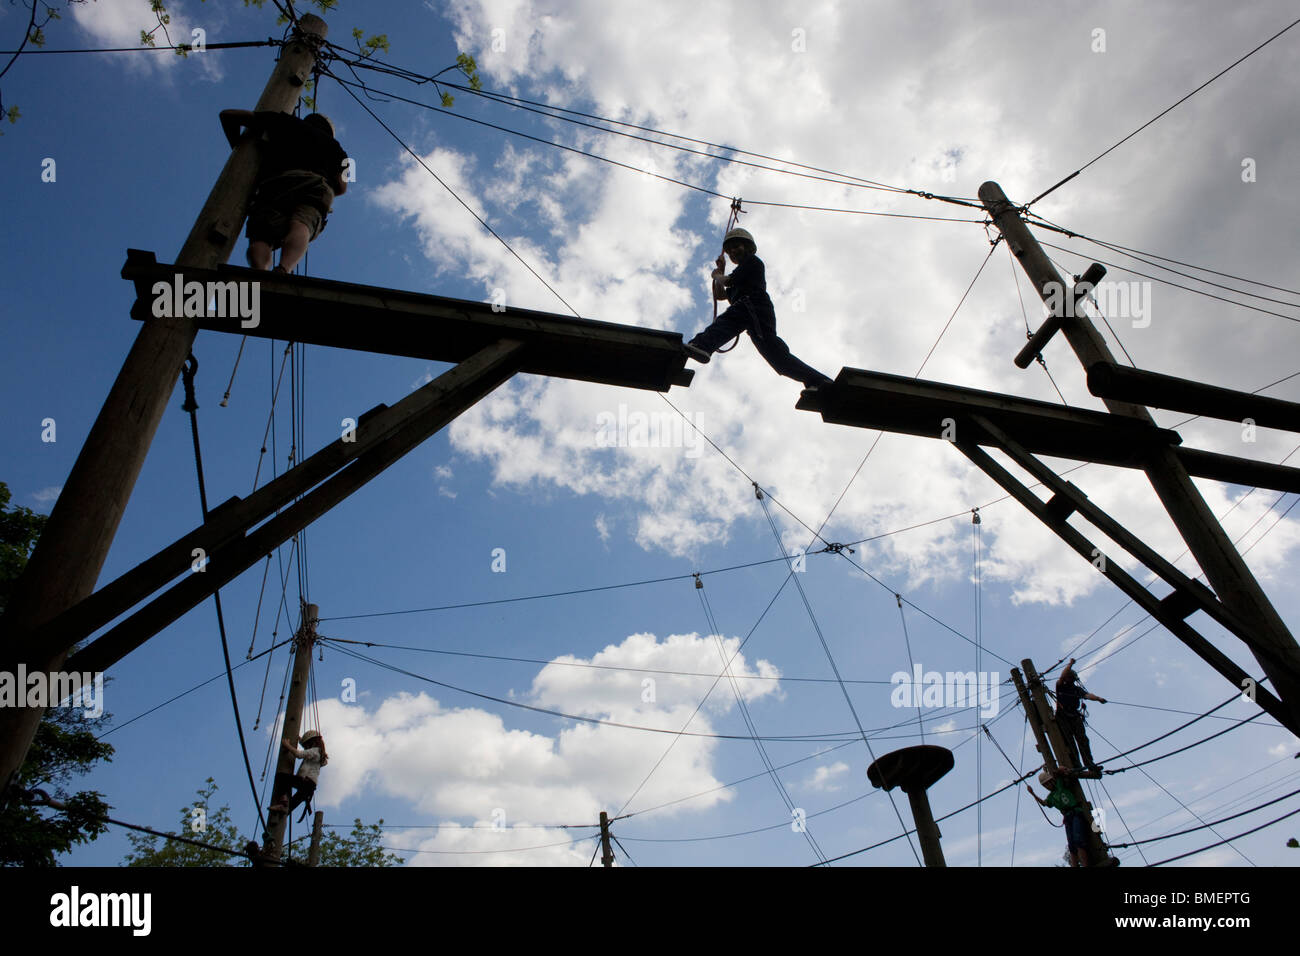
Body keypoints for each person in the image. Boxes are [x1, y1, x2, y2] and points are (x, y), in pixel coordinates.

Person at [684, 228, 833, 391]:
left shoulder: (753, 262)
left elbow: (727, 281)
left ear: (747, 247)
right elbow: (720, 295)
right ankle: (817, 382)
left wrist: (717, 276)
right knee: (777, 358)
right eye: (730, 249)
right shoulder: (739, 274)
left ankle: (703, 345)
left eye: (737, 246)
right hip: (751, 310)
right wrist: (721, 271)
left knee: (729, 321)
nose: (733, 251)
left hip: (753, 304)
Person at [219, 109, 348, 273]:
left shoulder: (283, 121)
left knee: (261, 234)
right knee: (302, 224)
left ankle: (259, 270)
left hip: (277, 181)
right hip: (316, 185)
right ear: (330, 132)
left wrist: (237, 149)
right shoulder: (338, 149)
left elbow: (228, 115)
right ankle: (284, 269)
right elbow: (342, 187)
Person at [1027, 766, 1092, 867]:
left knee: (1079, 841)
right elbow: (1045, 803)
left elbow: (1059, 773)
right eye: (1046, 785)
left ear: (1053, 780)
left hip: (1075, 813)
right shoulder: (1051, 797)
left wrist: (1049, 769)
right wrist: (1033, 794)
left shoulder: (1060, 785)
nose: (1048, 785)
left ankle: (1085, 864)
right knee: (1072, 846)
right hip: (1067, 817)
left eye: (1049, 782)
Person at [1055, 658, 1107, 772]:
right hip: (1063, 717)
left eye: (1072, 678)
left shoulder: (1076, 689)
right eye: (1069, 678)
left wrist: (1098, 698)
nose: (1070, 680)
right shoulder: (1060, 686)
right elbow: (1063, 676)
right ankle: (1076, 766)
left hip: (1074, 715)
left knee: (1083, 740)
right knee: (1070, 742)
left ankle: (1089, 765)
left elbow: (1088, 695)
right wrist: (1070, 664)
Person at [270, 730, 328, 820]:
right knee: (288, 808)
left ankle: (284, 798)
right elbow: (308, 751)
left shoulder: (315, 751)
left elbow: (299, 754)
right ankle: (282, 810)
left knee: (281, 776)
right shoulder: (320, 754)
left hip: (305, 781)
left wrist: (287, 745)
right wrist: (300, 740)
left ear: (312, 742)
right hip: (310, 787)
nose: (307, 747)